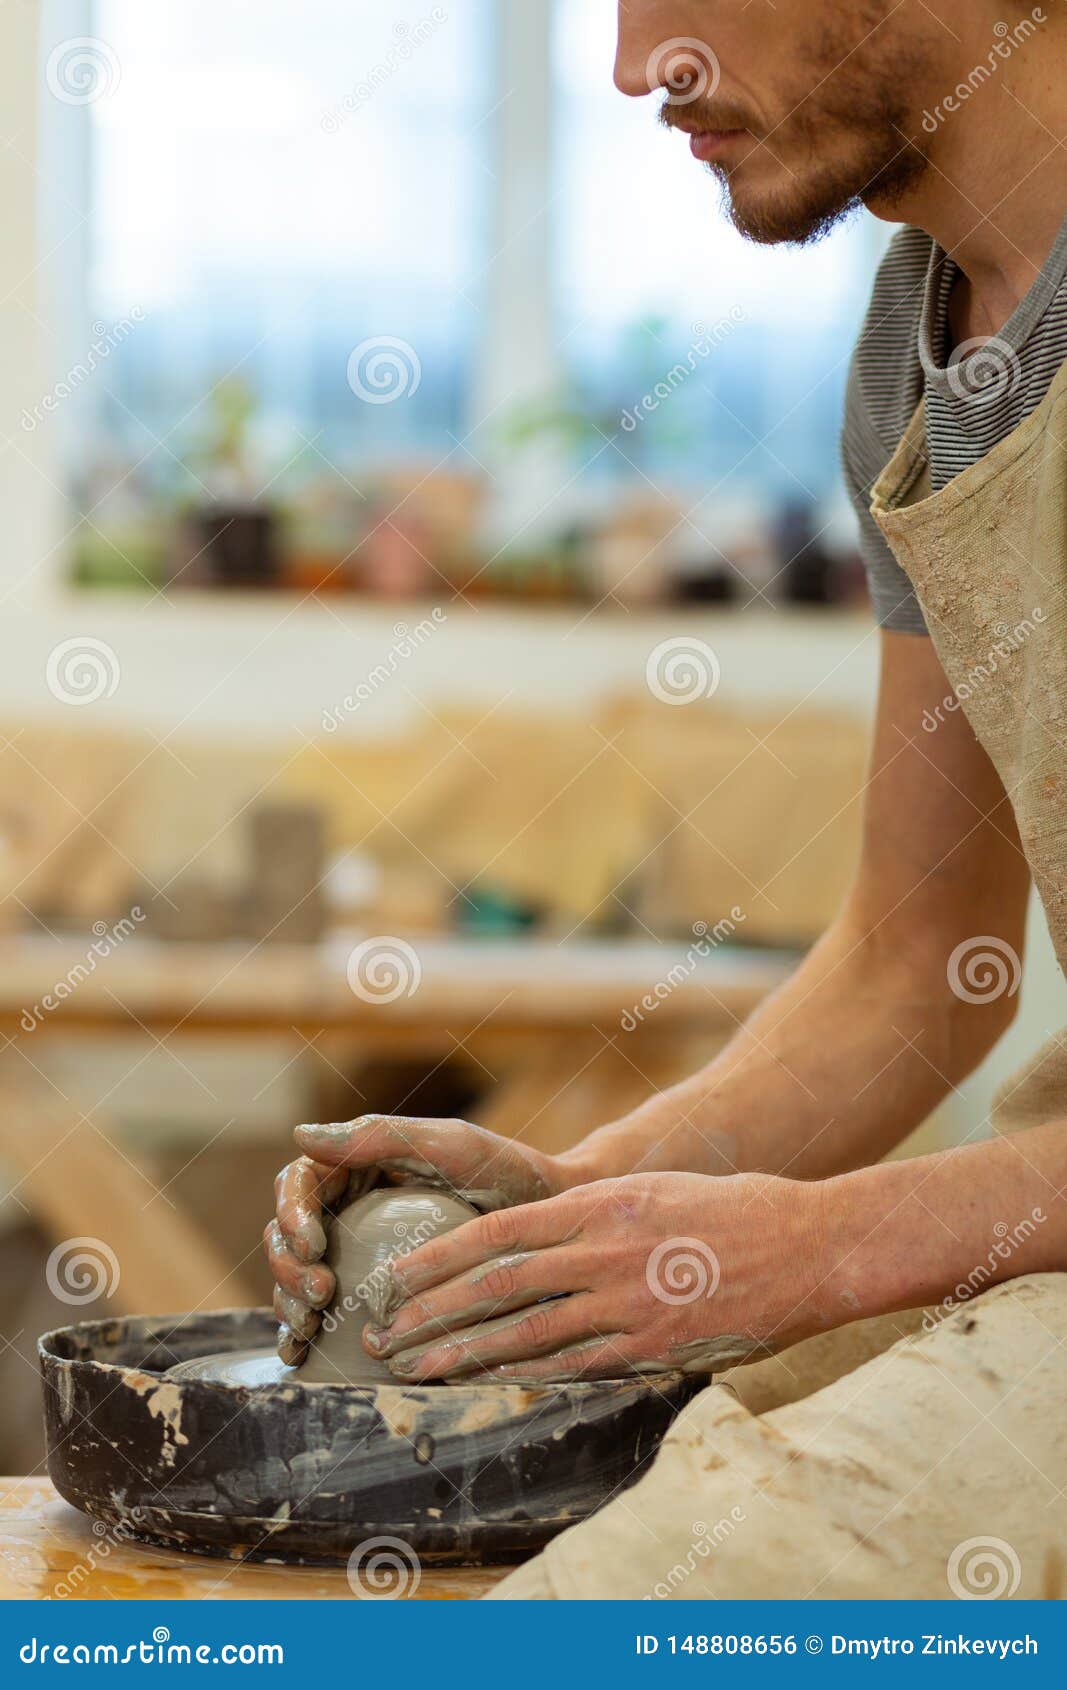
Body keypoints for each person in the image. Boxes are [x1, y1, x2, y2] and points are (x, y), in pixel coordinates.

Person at [266, 1, 1067, 1598]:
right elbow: (914, 966)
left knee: (621, 1602)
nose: (640, 65)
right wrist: (570, 1214)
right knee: (525, 1477)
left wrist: (815, 1242)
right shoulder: (919, 346)